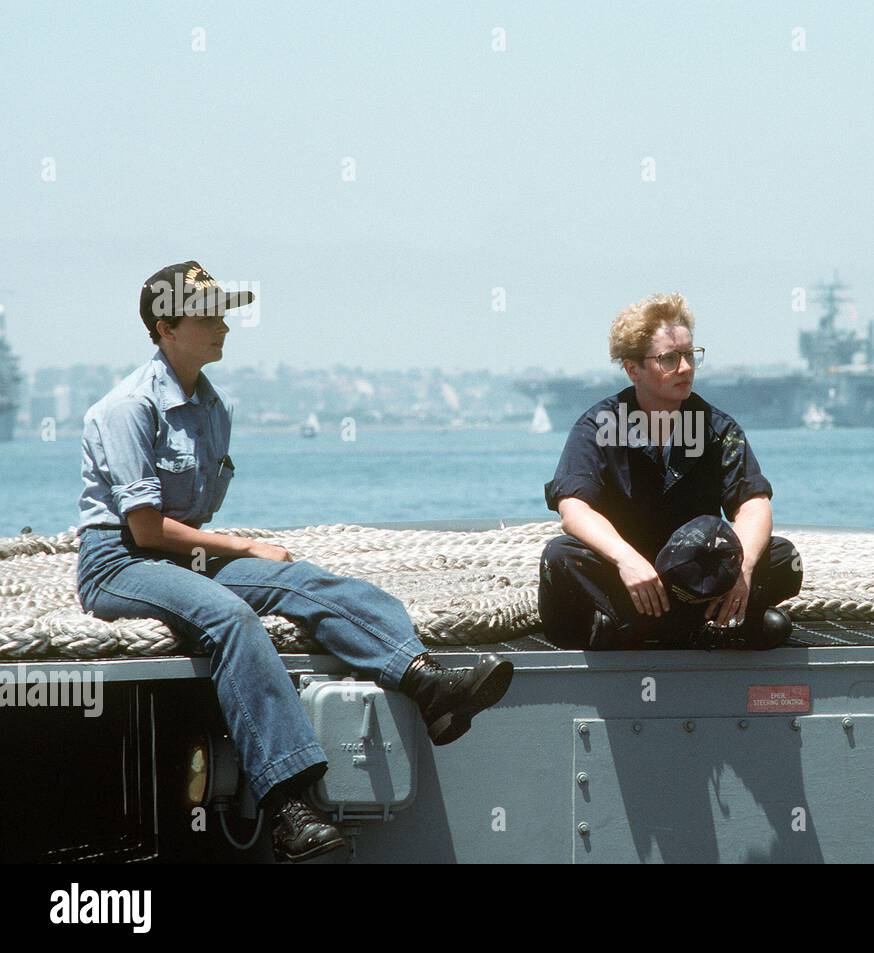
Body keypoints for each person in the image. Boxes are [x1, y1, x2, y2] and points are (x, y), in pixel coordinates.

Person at [75, 261, 513, 862]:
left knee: (306, 582)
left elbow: (185, 529)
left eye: (223, 312)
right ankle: (289, 808)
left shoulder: (211, 408)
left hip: (182, 556)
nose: (224, 325)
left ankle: (424, 681)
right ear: (166, 325)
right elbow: (145, 528)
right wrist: (247, 548)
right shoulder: (127, 408)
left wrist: (241, 556)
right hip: (119, 563)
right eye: (208, 314)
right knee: (230, 617)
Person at [539, 292, 803, 650]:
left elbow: (753, 504)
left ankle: (634, 628)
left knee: (784, 558)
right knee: (560, 558)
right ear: (634, 369)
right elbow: (574, 509)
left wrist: (742, 569)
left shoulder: (716, 428)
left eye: (690, 355)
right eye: (669, 359)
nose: (686, 368)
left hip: (696, 575)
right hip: (627, 574)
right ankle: (708, 626)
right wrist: (626, 558)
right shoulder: (600, 426)